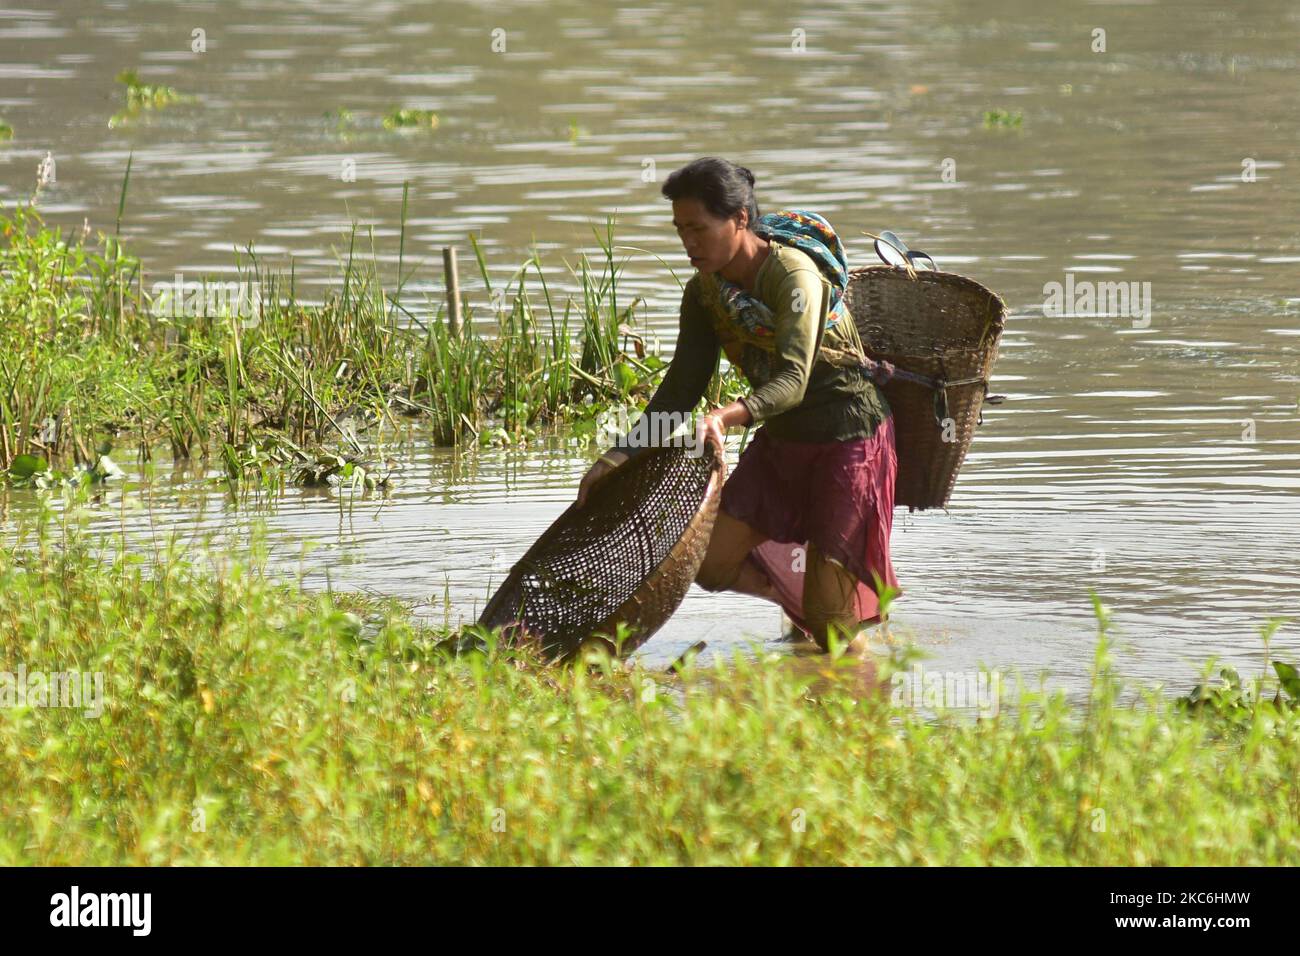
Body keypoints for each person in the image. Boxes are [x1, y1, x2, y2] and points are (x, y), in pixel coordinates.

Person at [576, 157, 900, 652]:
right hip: (785, 441)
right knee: (708, 560)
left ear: (741, 219)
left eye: (699, 228)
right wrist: (617, 456)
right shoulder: (705, 294)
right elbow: (679, 391)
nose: (688, 242)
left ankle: (841, 656)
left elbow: (793, 380)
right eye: (680, 229)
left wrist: (726, 416)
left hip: (848, 438)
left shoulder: (795, 279)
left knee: (833, 632)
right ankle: (803, 604)